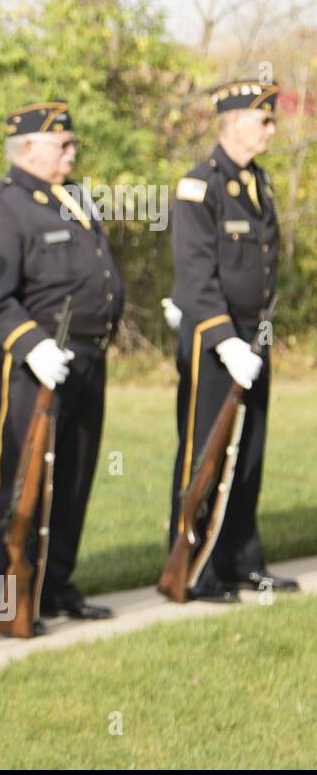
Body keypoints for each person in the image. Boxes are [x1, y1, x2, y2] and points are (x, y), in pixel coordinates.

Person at [0, 101, 124, 633]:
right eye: (63, 144)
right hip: (33, 362)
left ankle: (54, 585)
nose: (73, 152)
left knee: (73, 475)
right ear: (28, 147)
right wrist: (32, 345)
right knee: (18, 478)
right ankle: (6, 599)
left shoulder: (74, 198)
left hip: (85, 357)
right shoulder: (0, 207)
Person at [161, 80, 298, 601]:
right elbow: (195, 274)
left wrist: (256, 336)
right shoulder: (201, 185)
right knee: (205, 451)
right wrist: (224, 339)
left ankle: (241, 560)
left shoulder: (257, 182)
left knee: (249, 449)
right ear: (234, 121)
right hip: (215, 337)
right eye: (263, 120)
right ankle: (191, 568)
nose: (271, 129)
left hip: (254, 333)